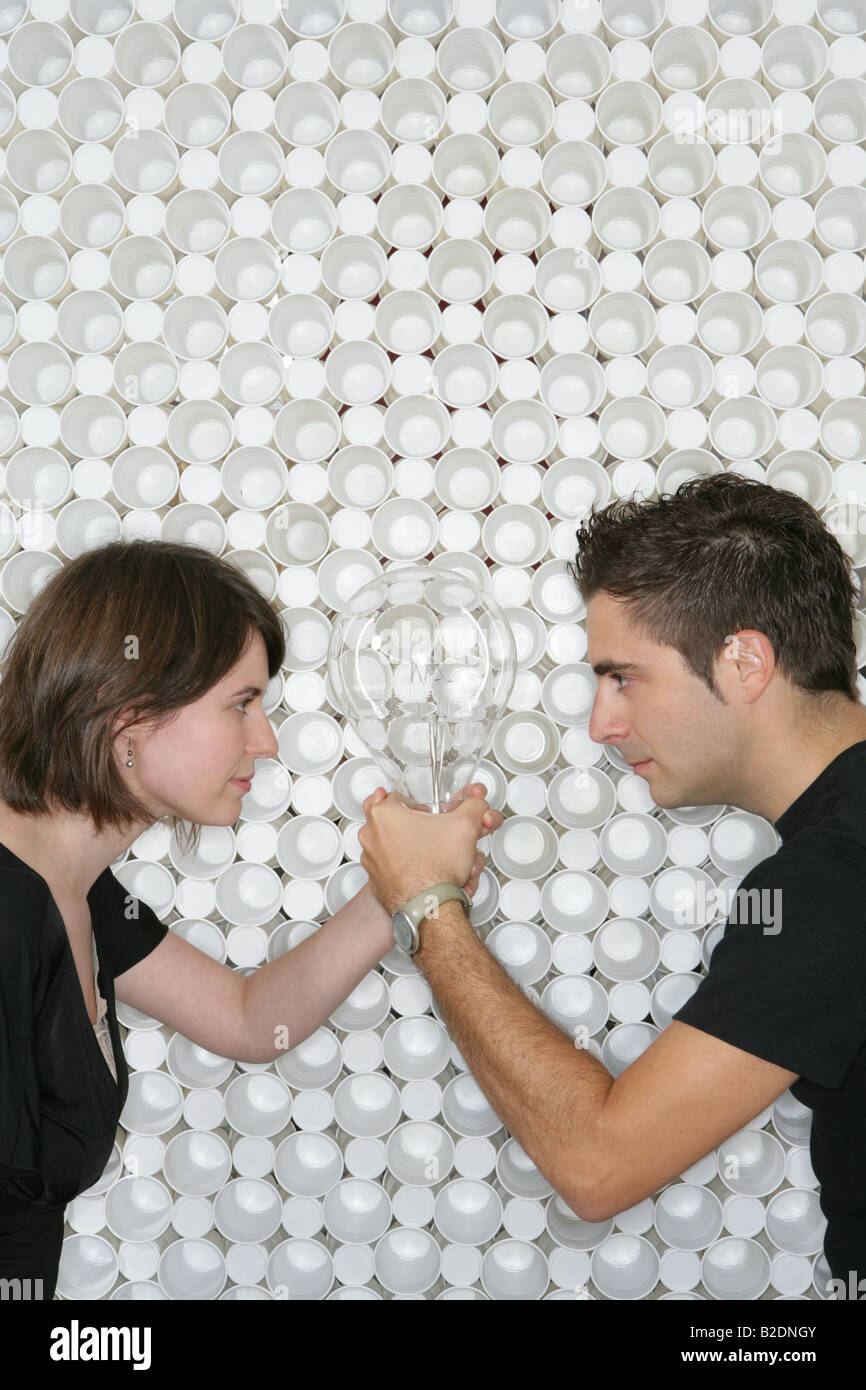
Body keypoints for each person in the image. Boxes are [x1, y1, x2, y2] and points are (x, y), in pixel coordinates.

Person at [358, 472, 866, 1299]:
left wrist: (427, 905)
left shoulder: (834, 877)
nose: (602, 725)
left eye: (623, 677)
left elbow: (597, 1165)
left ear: (746, 662)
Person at [0, 538, 499, 1299]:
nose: (266, 741)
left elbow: (246, 1019)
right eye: (242, 704)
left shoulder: (79, 886)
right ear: (127, 713)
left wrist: (403, 884)